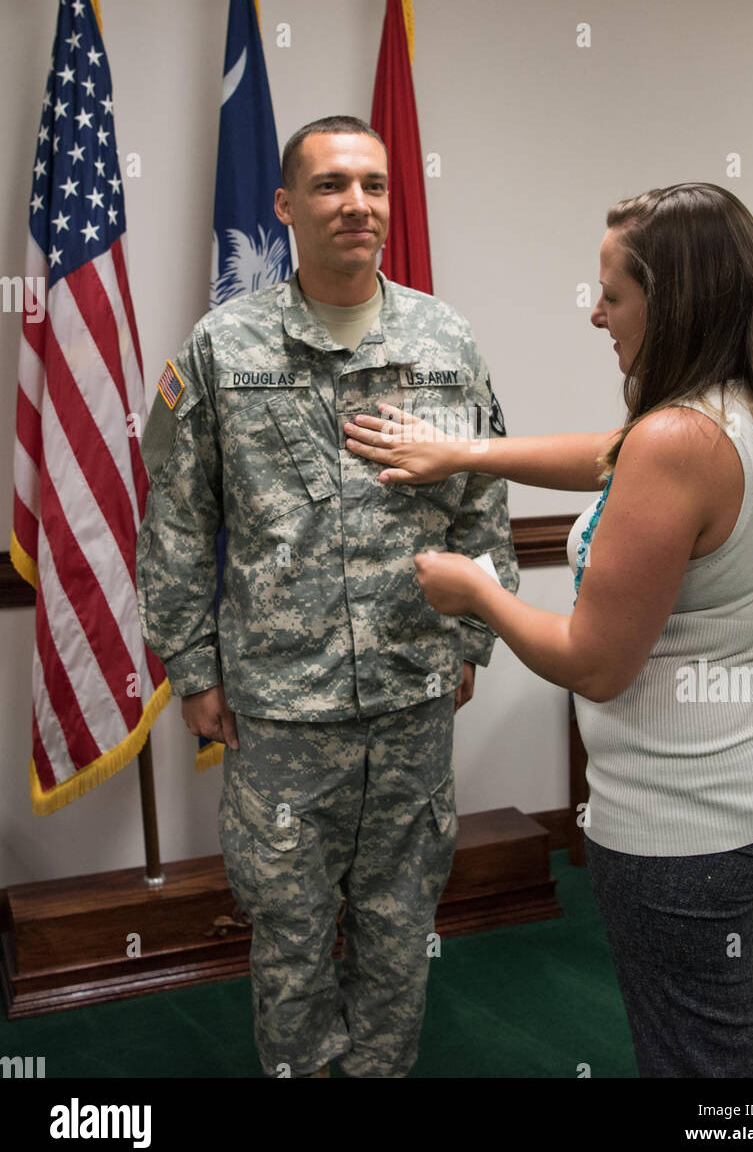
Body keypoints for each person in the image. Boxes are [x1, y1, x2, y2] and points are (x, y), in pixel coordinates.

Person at [344, 181, 753, 1079]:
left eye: (612, 294)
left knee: (702, 1061)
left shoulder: (679, 442)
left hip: (689, 824)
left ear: (674, 299)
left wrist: (479, 591)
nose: (595, 313)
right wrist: (462, 450)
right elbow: (616, 454)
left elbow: (596, 663)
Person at [136, 115, 519, 1079]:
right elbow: (178, 519)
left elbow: (484, 501)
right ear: (286, 206)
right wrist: (192, 669)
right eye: (331, 185)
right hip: (279, 708)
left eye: (375, 186)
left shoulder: (445, 338)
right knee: (289, 931)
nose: (358, 204)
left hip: (411, 697)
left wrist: (470, 644)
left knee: (399, 928)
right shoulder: (224, 347)